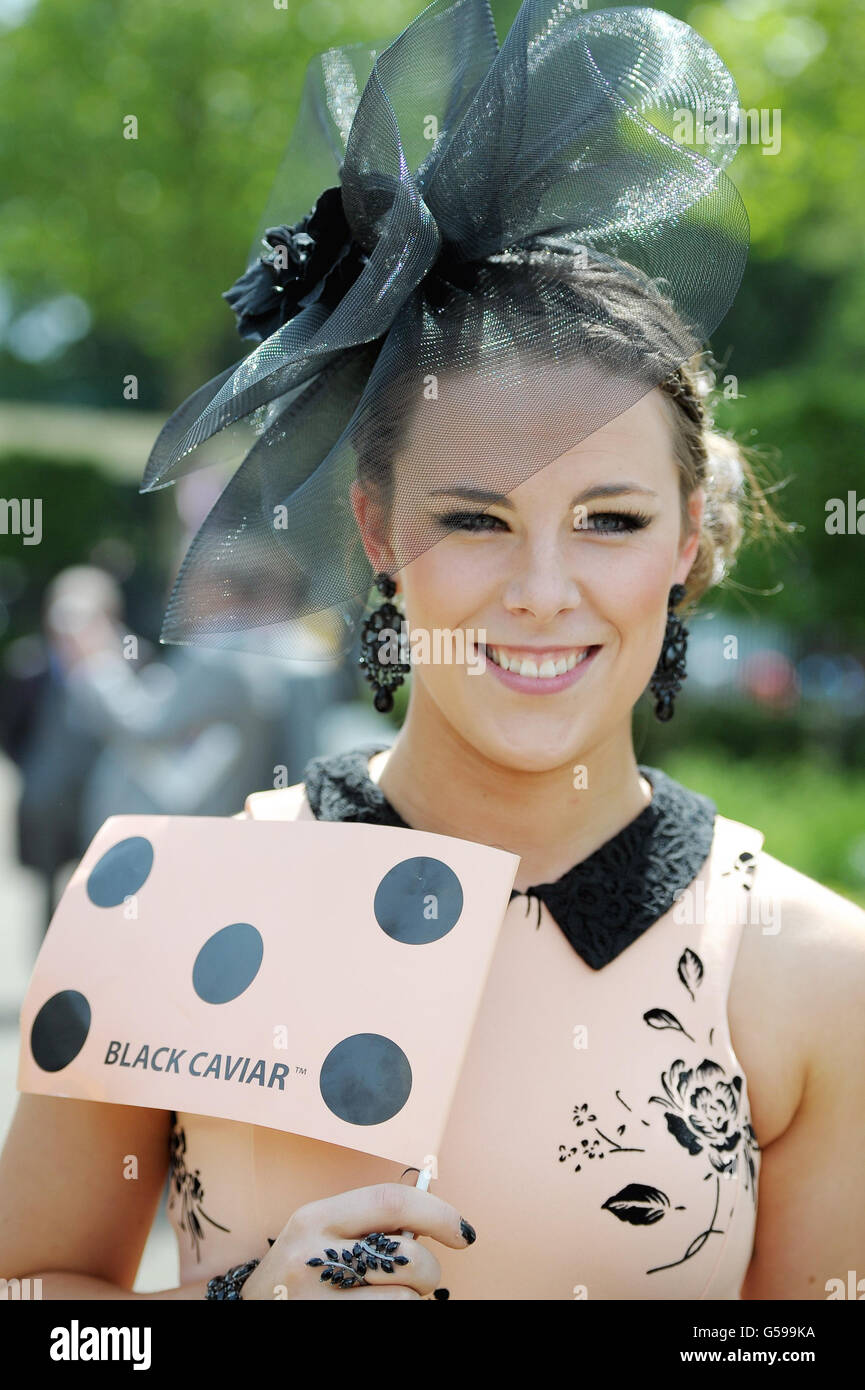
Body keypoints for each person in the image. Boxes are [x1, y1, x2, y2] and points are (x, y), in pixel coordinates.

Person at [2, 0, 863, 1303]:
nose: (539, 588)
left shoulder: (813, 972)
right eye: (475, 518)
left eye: (608, 520)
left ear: (689, 539)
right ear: (377, 530)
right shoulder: (172, 901)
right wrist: (232, 1305)